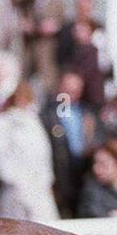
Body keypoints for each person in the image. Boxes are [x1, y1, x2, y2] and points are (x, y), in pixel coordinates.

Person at [0, 82, 58, 223]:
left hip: (39, 190)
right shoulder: (0, 124)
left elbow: (44, 155)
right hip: (15, 191)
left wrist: (46, 181)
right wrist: (16, 182)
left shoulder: (34, 122)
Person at [42, 69, 96, 218]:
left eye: (75, 91)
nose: (71, 95)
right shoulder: (49, 114)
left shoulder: (86, 112)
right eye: (67, 90)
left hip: (82, 171)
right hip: (61, 173)